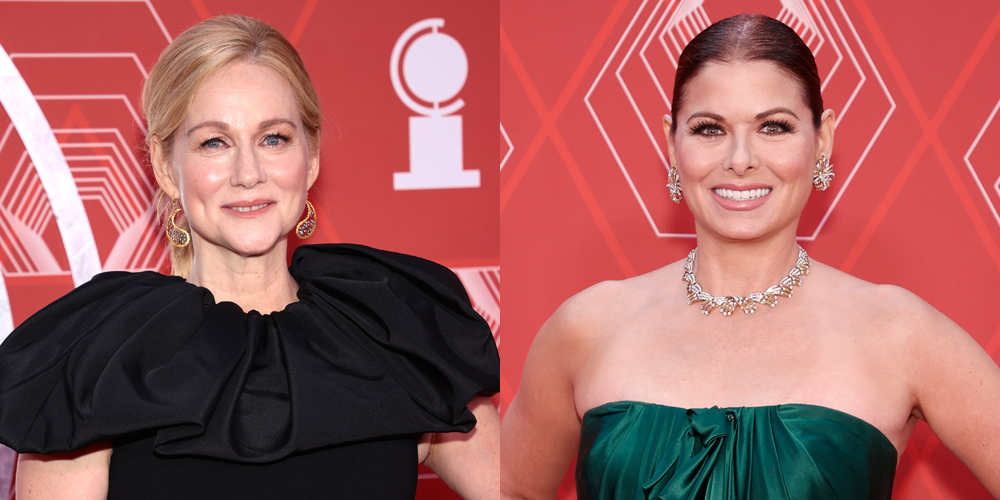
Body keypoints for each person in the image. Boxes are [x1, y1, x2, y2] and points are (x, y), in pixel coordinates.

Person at [0, 15, 501, 499]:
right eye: (215, 142)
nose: (248, 172)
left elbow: (519, 485)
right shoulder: (101, 359)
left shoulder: (392, 328)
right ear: (164, 165)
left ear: (312, 155)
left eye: (274, 138)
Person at [500, 13, 1000, 499]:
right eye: (709, 129)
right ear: (671, 144)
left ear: (821, 139)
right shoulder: (587, 327)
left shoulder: (898, 332)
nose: (740, 159)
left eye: (774, 127)